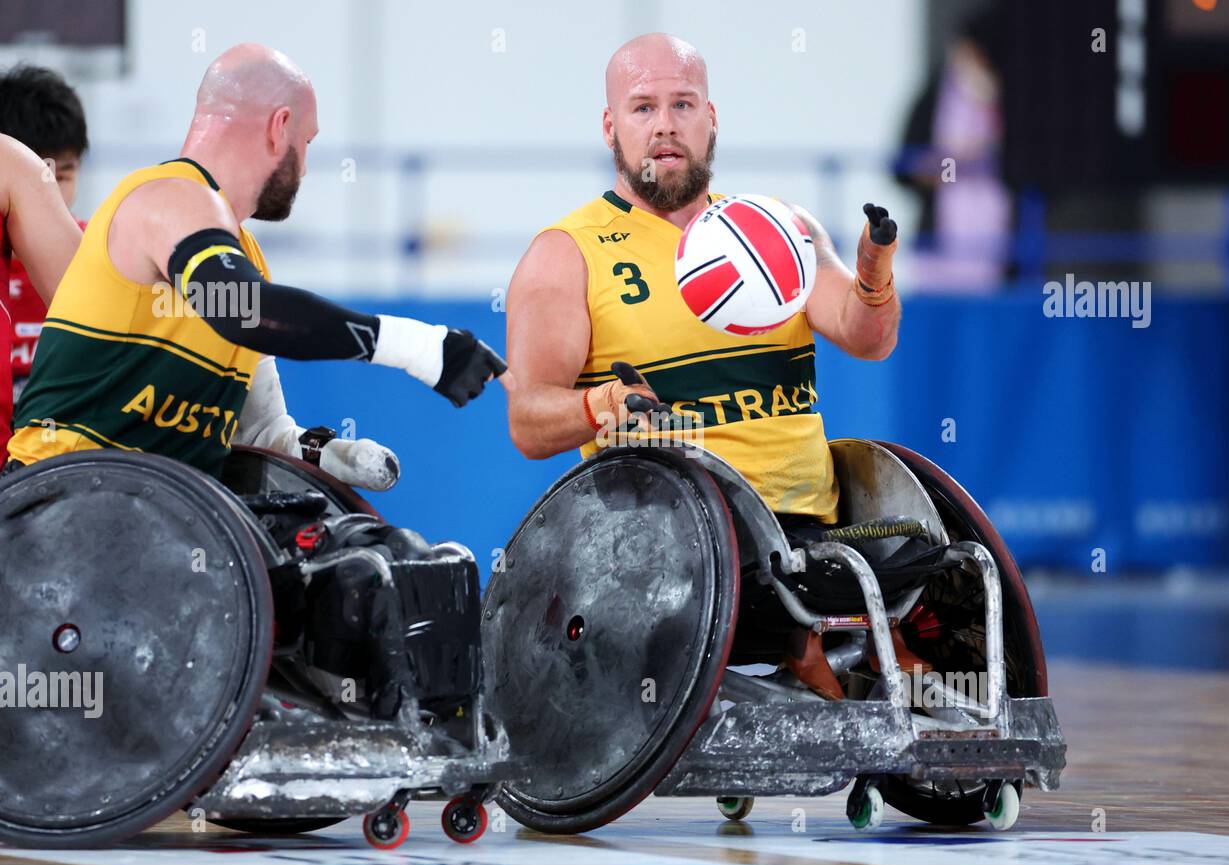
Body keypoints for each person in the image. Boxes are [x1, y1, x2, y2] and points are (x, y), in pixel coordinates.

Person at [504, 34, 905, 697]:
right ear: (611, 127)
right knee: (765, 575)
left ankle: (886, 673)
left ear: (710, 118)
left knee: (934, 556)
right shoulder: (566, 255)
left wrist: (872, 275)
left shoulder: (780, 232)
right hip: (669, 541)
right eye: (642, 108)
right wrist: (598, 405)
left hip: (808, 531)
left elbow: (869, 338)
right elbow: (526, 421)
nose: (664, 123)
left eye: (682, 104)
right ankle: (810, 653)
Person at [4, 43, 509, 487]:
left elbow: (260, 431)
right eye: (307, 144)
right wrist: (421, 349)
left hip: (150, 519)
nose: (306, 166)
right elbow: (243, 310)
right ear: (279, 127)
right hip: (58, 508)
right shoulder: (168, 198)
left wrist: (326, 453)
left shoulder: (244, 258)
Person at [0, 65, 90, 405]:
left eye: (62, 176)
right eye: (37, 177)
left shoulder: (107, 254)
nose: (50, 196)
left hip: (70, 451)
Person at [0, 133, 83, 470]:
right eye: (54, 176)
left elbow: (106, 327)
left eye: (65, 175)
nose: (59, 193)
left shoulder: (10, 163)